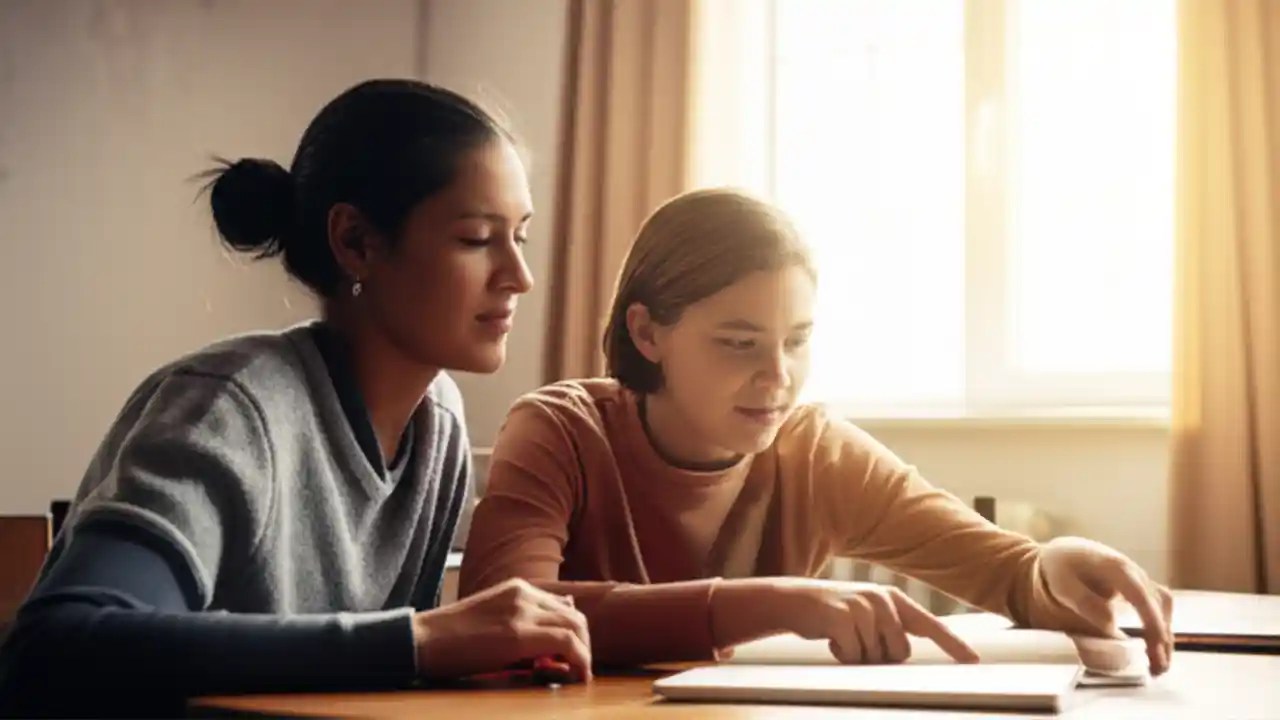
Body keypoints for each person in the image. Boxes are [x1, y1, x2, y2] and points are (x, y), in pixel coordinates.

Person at [0, 79, 591, 718]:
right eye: (477, 239)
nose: (520, 277)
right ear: (357, 243)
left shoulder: (438, 424)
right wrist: (418, 640)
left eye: (520, 237)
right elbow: (57, 645)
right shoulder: (229, 409)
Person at [460, 188, 1173, 674]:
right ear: (647, 333)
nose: (778, 378)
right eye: (739, 343)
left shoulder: (816, 453)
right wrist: (780, 602)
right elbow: (505, 621)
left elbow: (1007, 572)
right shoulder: (558, 432)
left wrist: (1058, 568)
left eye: (796, 341)